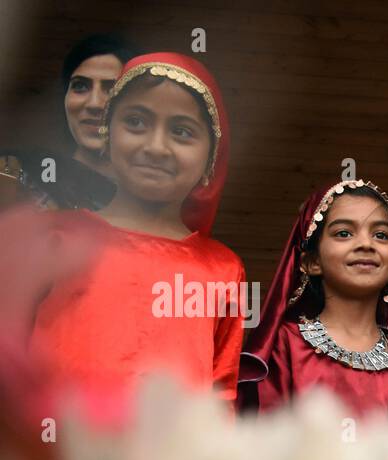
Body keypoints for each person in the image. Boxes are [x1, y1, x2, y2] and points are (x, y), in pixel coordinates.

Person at [26, 52, 244, 407]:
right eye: (137, 122)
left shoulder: (223, 269)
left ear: (211, 158)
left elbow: (220, 398)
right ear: (108, 135)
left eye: (182, 131)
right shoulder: (52, 239)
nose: (155, 147)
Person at [239, 180, 388, 416]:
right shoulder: (285, 346)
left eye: (380, 235)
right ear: (311, 262)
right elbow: (267, 444)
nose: (366, 244)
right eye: (344, 233)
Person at [1, 33, 137, 212]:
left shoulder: (157, 200)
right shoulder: (20, 175)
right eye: (80, 86)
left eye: (111, 88)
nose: (94, 104)